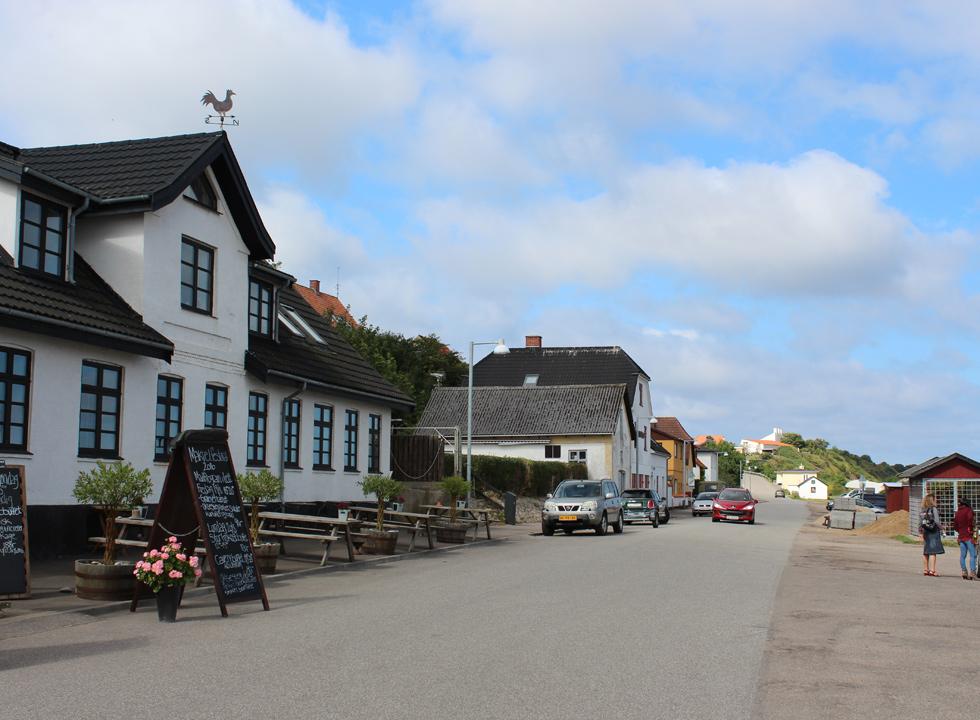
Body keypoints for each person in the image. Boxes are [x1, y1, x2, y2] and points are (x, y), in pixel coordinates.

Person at [920, 493, 945, 576]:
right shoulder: (933, 509)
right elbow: (937, 521)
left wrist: (920, 532)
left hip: (925, 531)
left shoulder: (923, 509)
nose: (936, 500)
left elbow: (920, 522)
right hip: (933, 531)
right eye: (935, 499)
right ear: (932, 500)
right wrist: (942, 528)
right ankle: (932, 570)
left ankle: (925, 570)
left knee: (926, 551)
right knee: (933, 552)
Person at [953, 498, 976, 580]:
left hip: (961, 536)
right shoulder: (969, 510)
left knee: (963, 555)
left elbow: (955, 525)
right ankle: (972, 573)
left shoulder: (958, 512)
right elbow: (970, 520)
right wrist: (970, 528)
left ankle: (964, 571)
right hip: (968, 536)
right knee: (973, 555)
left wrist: (959, 530)